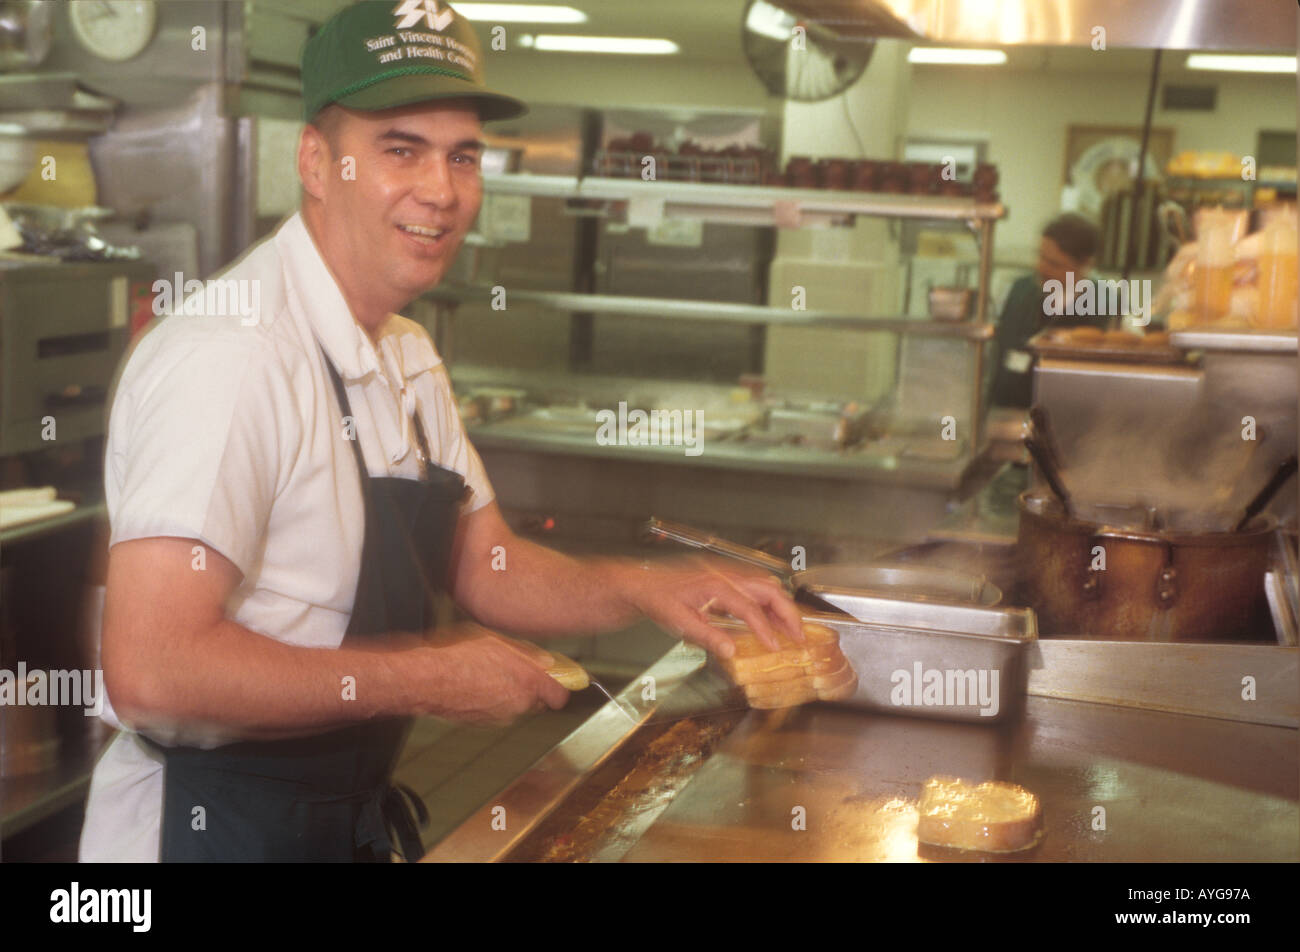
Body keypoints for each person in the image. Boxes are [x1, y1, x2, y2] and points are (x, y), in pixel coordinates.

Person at [78, 0, 801, 863]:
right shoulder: (233, 357)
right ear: (317, 160)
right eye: (401, 149)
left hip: (335, 819)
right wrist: (427, 677)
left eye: (463, 156)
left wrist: (649, 589)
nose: (442, 190)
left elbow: (485, 565)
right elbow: (154, 670)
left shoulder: (407, 353)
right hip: (205, 829)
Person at [988, 213, 1108, 410]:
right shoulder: (1020, 290)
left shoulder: (1103, 307)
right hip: (1005, 415)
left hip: (1063, 422)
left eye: (1054, 264)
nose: (1041, 268)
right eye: (1041, 256)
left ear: (1086, 265)